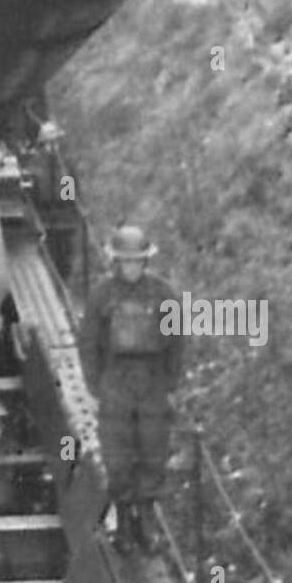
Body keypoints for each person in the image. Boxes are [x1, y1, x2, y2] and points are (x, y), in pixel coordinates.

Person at [78, 223, 181, 552]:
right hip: (115, 382)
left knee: (153, 452)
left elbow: (177, 343)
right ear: (116, 262)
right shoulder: (101, 295)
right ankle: (123, 521)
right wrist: (95, 386)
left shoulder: (164, 294)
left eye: (137, 261)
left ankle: (146, 521)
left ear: (145, 261)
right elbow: (89, 342)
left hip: (152, 382)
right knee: (118, 456)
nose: (132, 267)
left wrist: (171, 384)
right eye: (126, 261)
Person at [22, 120, 79, 282]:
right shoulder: (34, 165)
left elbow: (69, 196)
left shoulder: (65, 165)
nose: (53, 146)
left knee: (64, 261)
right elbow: (30, 197)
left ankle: (64, 286)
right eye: (50, 143)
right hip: (44, 222)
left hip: (64, 222)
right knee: (48, 261)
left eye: (56, 142)